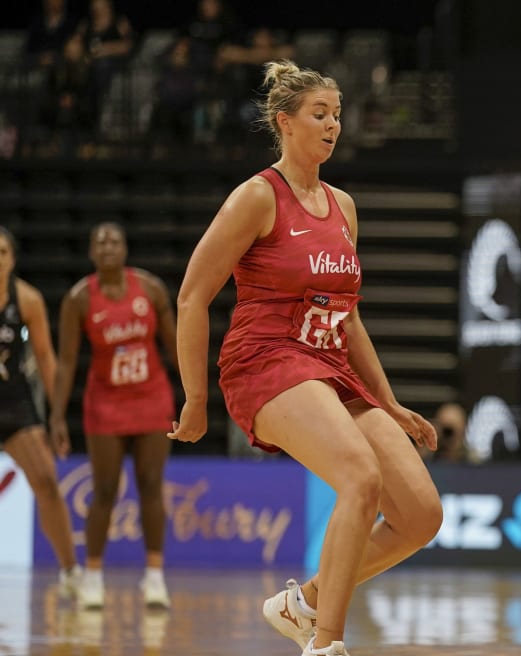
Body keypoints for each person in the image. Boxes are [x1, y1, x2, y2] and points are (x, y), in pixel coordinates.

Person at [169, 60, 443, 656]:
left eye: (337, 115)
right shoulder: (256, 197)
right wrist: (194, 399)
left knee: (421, 516)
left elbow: (352, 318)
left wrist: (390, 402)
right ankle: (327, 644)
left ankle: (305, 604)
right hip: (265, 359)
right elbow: (192, 296)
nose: (333, 125)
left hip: (330, 364)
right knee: (359, 477)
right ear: (284, 123)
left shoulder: (344, 206)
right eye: (320, 114)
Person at [49, 222, 178, 611]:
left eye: (114, 240)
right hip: (105, 402)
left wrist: (197, 395)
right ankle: (92, 577)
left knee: (151, 484)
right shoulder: (78, 300)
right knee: (104, 489)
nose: (107, 246)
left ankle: (154, 577)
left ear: (125, 249)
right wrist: (56, 415)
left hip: (152, 397)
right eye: (100, 241)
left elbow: (175, 347)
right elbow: (68, 361)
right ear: (91, 252)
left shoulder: (151, 289)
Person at [0, 226, 81, 597]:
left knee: (47, 482)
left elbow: (47, 359)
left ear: (13, 259)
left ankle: (70, 573)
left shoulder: (27, 299)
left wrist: (57, 415)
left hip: (14, 403)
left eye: (2, 252)